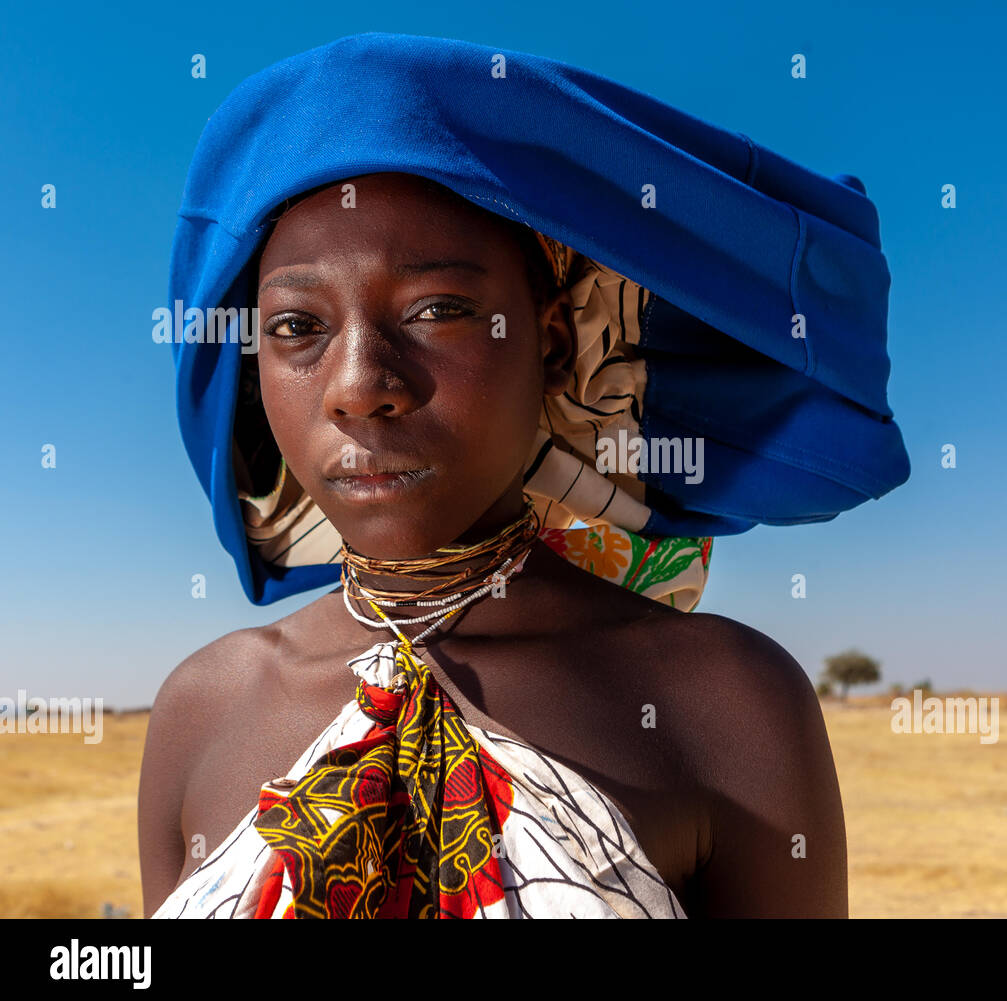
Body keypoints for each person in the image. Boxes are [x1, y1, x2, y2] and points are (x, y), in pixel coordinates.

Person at [138, 33, 909, 919]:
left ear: (548, 345)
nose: (359, 386)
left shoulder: (726, 704)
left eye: (437, 310)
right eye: (297, 328)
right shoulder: (200, 711)